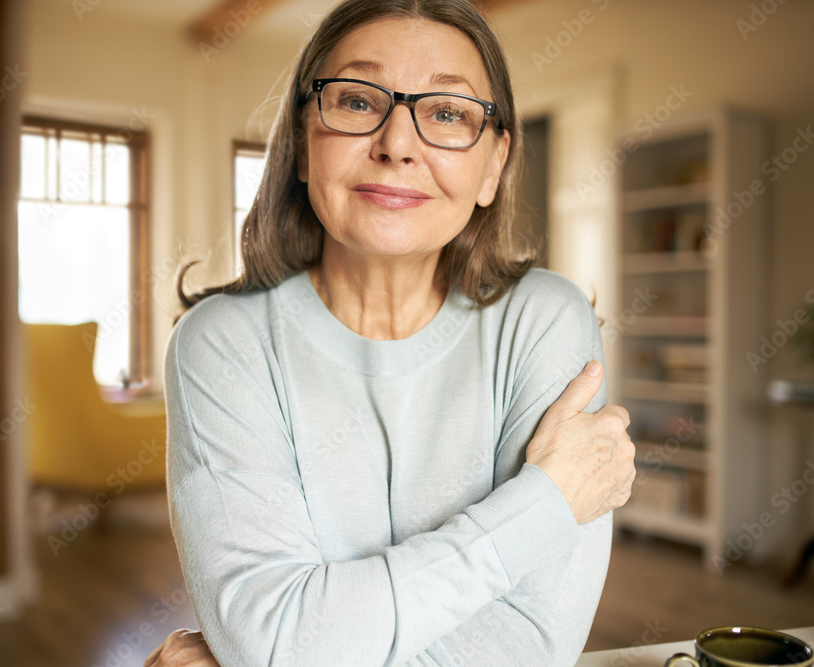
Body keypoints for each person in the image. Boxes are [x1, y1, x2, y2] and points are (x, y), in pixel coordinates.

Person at [149, 0, 635, 664]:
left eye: (446, 113)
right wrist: (544, 505)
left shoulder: (544, 322)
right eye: (355, 101)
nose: (397, 144)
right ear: (300, 140)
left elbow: (531, 646)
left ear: (493, 166)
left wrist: (288, 645)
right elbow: (273, 645)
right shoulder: (221, 343)